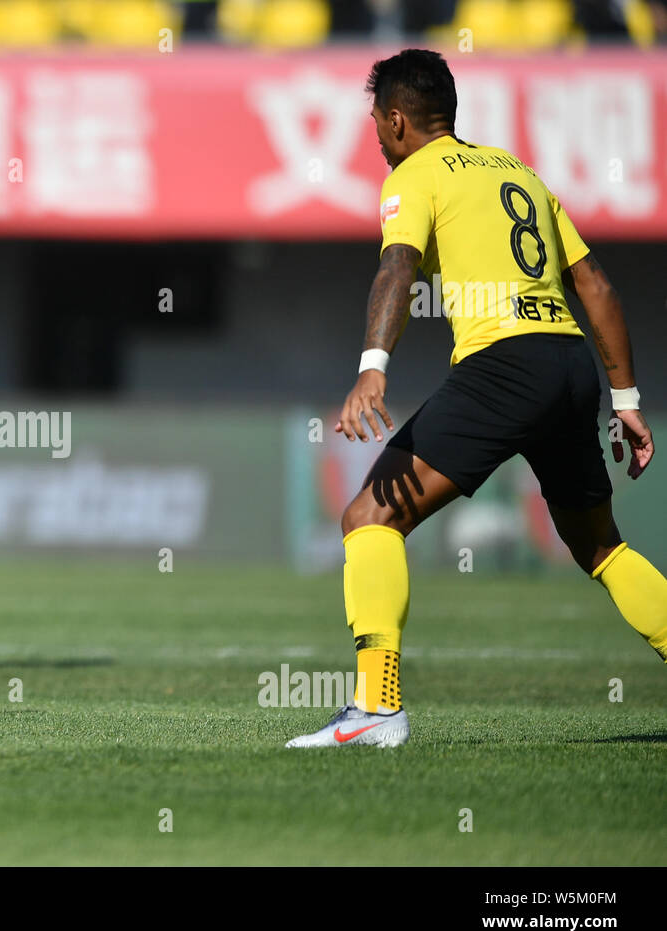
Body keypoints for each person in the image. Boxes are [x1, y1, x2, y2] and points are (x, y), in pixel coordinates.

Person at [286, 49, 667, 748]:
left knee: (368, 518)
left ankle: (376, 708)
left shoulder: (414, 176)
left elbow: (397, 265)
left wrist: (374, 366)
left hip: (505, 365)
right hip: (569, 361)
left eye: (376, 122)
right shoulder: (517, 172)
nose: (374, 137)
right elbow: (598, 288)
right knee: (603, 548)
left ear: (397, 120)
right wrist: (627, 397)